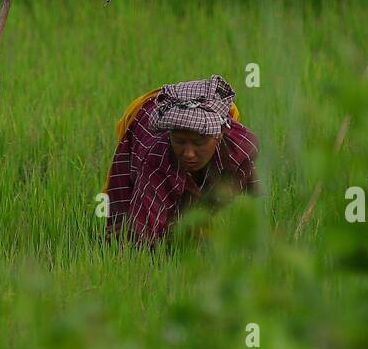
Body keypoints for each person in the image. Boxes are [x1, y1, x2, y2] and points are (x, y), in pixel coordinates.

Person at [105, 75, 259, 244]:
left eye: (199, 142)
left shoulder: (241, 149)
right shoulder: (156, 163)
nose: (188, 153)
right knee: (123, 223)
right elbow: (140, 237)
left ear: (220, 133)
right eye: (179, 141)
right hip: (142, 120)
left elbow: (257, 204)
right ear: (169, 134)